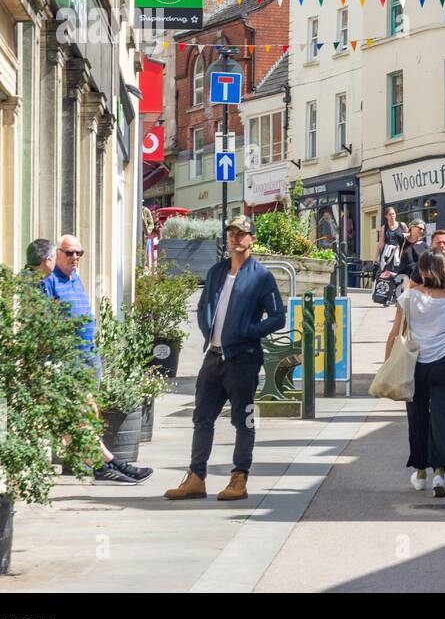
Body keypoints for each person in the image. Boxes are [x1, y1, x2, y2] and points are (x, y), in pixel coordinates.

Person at [165, 215, 287, 501]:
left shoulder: (261, 276)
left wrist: (248, 331)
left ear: (251, 239)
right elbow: (203, 305)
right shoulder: (217, 271)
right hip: (214, 356)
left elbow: (278, 317)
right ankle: (196, 477)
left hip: (243, 357)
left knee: (242, 419)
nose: (235, 238)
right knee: (202, 418)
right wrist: (207, 328)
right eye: (231, 232)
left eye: (241, 233)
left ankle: (239, 478)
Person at [41, 234, 152, 485]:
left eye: (79, 253)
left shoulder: (75, 278)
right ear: (56, 254)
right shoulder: (50, 282)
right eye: (69, 253)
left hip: (88, 358)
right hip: (68, 362)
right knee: (77, 416)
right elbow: (44, 325)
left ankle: (102, 463)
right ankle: (106, 463)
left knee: (88, 414)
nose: (75, 258)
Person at [386, 251, 445, 498]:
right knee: (444, 419)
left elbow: (395, 333)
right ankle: (440, 473)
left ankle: (420, 472)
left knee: (417, 418)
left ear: (422, 271)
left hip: (415, 365)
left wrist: (387, 365)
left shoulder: (408, 297)